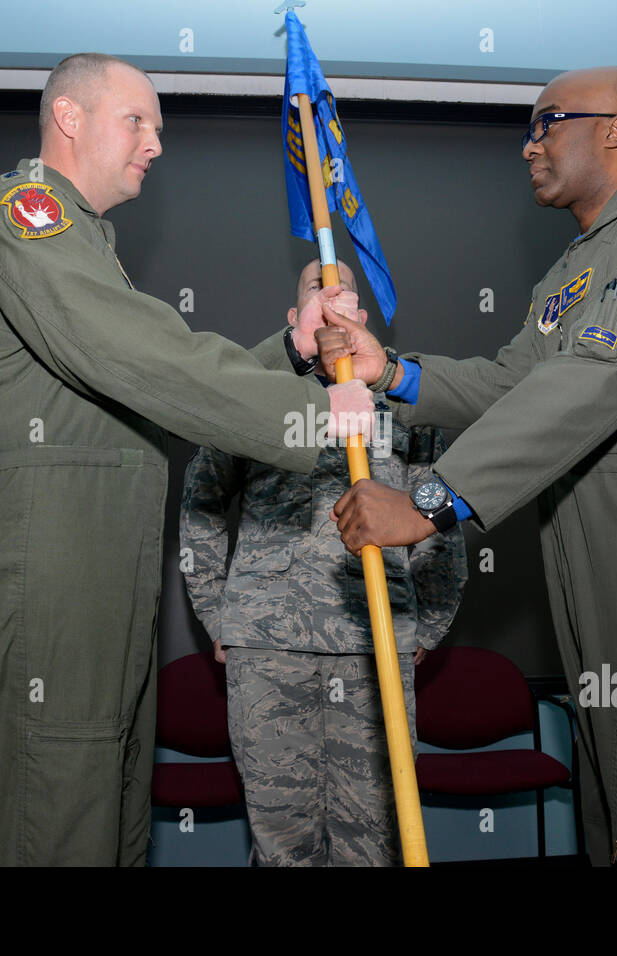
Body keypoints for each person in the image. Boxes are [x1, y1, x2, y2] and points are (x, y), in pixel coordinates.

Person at [310, 66, 617, 866]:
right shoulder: (573, 271)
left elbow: (596, 377)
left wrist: (430, 501)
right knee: (616, 786)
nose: (529, 145)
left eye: (546, 122)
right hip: (581, 529)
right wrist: (390, 371)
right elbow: (508, 383)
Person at [0, 53, 373, 866]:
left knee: (103, 799)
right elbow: (141, 357)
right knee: (48, 808)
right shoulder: (22, 214)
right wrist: (314, 413)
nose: (155, 143)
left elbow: (146, 376)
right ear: (69, 117)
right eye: (138, 121)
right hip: (46, 556)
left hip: (93, 556)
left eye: (159, 127)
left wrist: (291, 352)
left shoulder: (86, 246)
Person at [179, 259, 468, 866]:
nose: (334, 296)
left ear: (362, 314)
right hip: (267, 643)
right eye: (318, 286)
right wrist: (217, 613)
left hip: (376, 640)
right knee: (284, 843)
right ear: (295, 316)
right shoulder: (256, 390)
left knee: (376, 838)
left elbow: (441, 515)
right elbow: (201, 499)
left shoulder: (402, 390)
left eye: (347, 289)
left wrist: (429, 622)